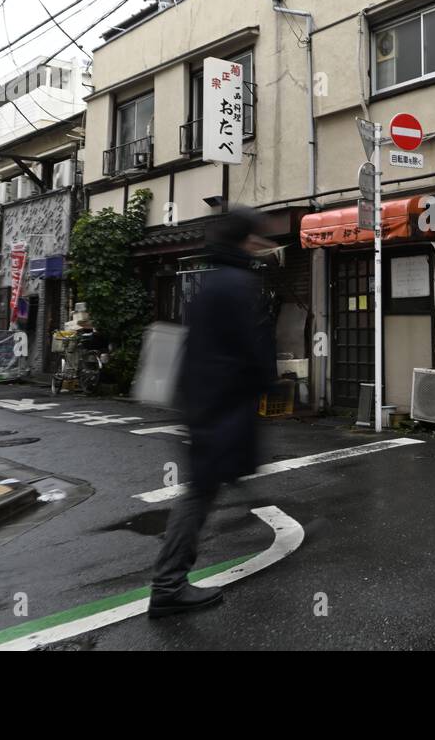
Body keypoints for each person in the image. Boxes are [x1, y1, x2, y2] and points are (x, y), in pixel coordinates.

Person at [149, 208, 279, 618]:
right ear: (245, 242)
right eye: (256, 239)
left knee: (213, 480)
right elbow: (252, 344)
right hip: (220, 405)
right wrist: (269, 383)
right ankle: (168, 585)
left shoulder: (210, 281)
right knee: (201, 490)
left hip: (204, 401)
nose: (261, 245)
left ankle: (170, 582)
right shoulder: (239, 283)